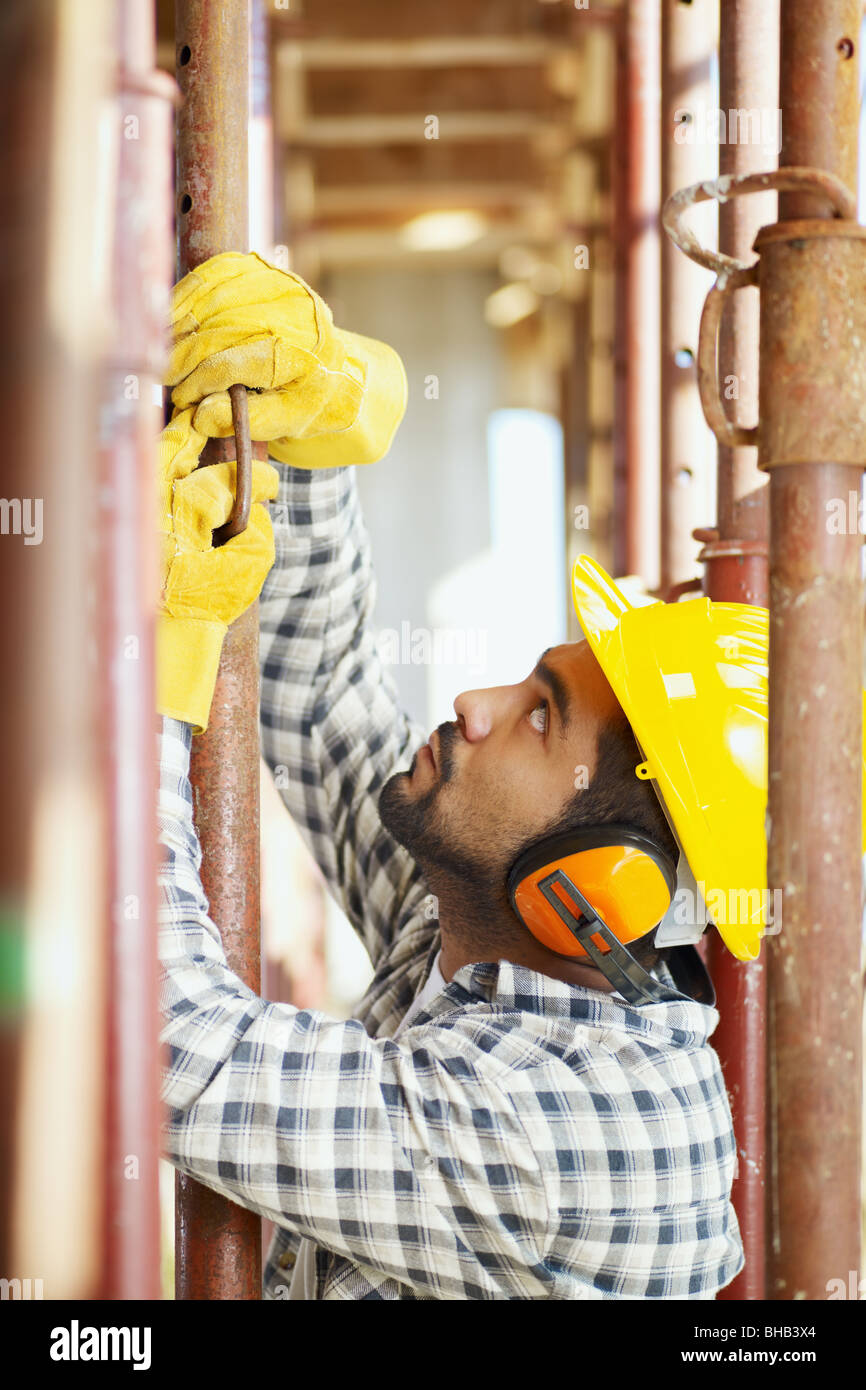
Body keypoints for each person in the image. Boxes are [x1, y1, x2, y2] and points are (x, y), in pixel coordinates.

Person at [157, 253, 747, 1300]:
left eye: (536, 717)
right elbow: (321, 702)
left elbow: (169, 1042)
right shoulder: (497, 937)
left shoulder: (574, 1138)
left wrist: (153, 663)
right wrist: (301, 437)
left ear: (606, 877)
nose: (473, 703)